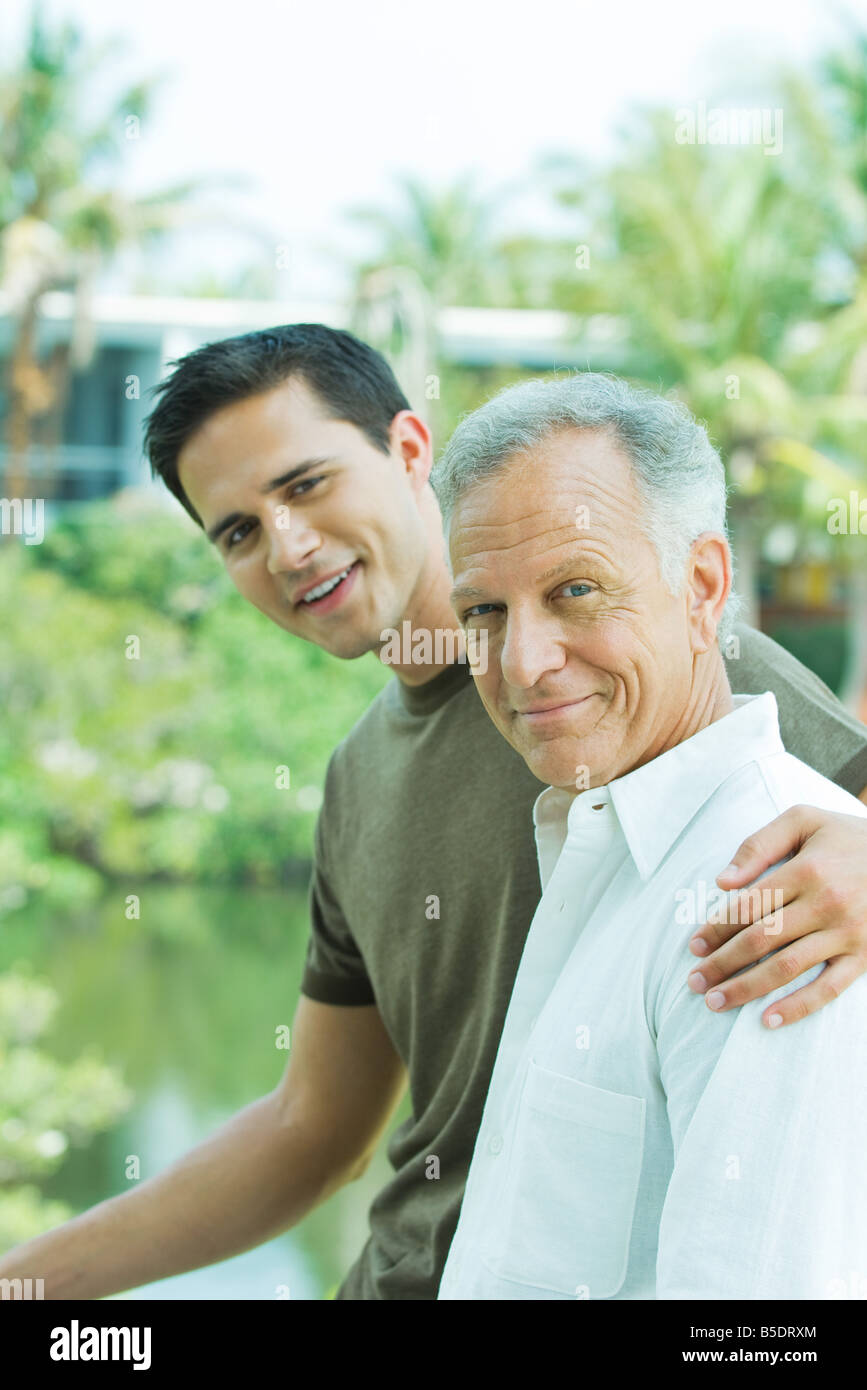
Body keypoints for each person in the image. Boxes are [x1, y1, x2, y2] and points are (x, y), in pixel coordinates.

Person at [1, 327, 866, 1302]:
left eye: (305, 483)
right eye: (237, 530)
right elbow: (311, 1129)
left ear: (409, 451)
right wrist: (27, 1282)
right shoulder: (359, 777)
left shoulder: (635, 665)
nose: (286, 546)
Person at [434, 372, 867, 1299]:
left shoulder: (781, 896)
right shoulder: (601, 848)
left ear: (702, 588)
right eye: (484, 610)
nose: (523, 662)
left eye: (577, 590)